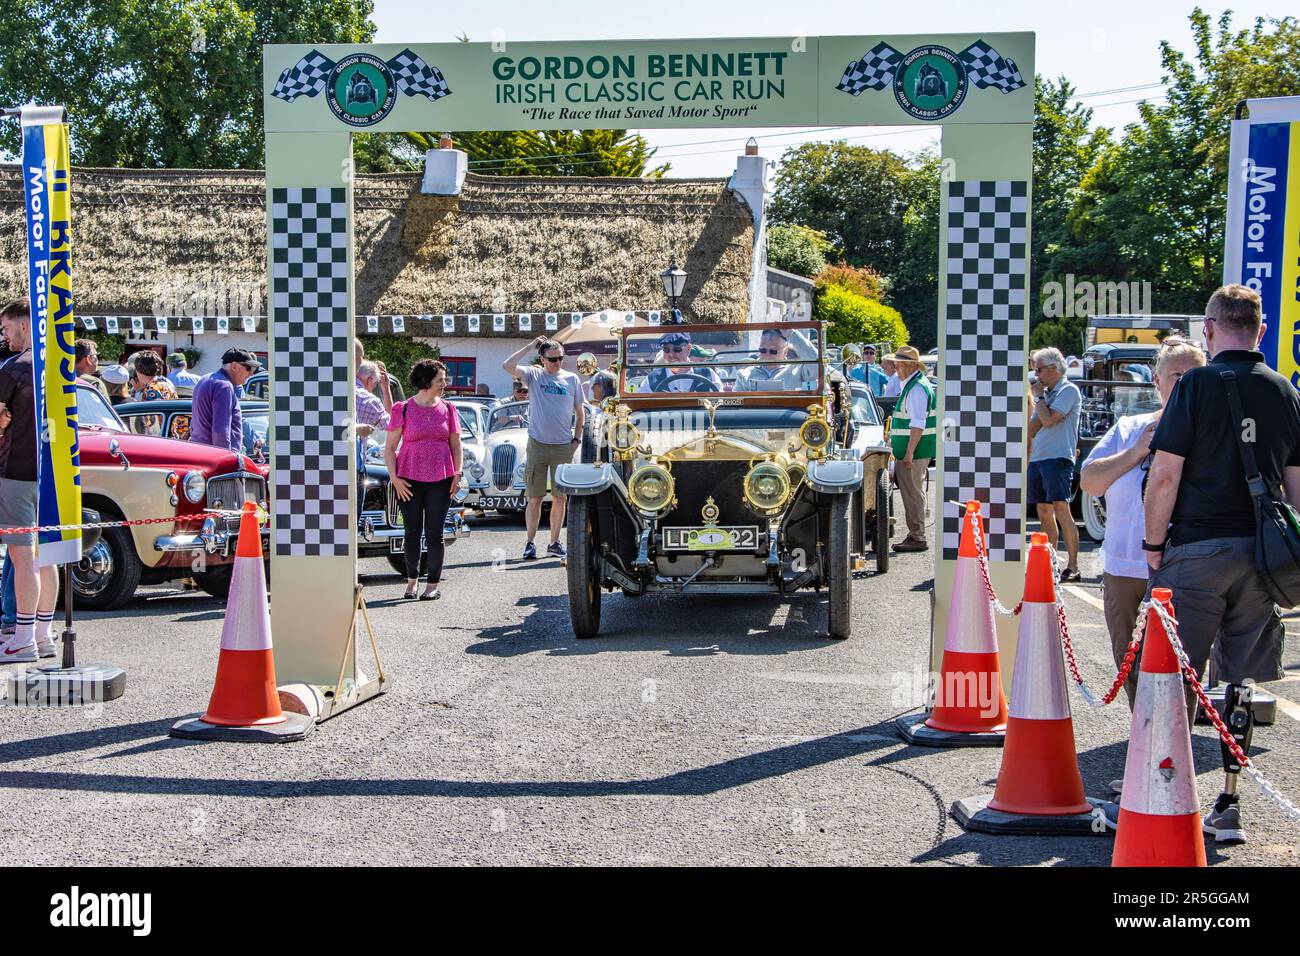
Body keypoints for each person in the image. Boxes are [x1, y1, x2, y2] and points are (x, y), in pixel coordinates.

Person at [1144, 284, 1300, 845]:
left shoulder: (1196, 385)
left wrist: (1153, 545)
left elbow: (1165, 475)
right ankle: (1228, 802)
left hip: (1195, 551)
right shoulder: (1284, 390)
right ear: (1260, 331)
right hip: (1262, 559)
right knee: (1240, 685)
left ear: (1208, 330)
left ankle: (1160, 794)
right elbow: (1296, 485)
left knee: (1171, 676)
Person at [1079, 340, 1206, 709]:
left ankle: (1175, 748)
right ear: (1157, 380)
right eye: (1176, 376)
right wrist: (1138, 450)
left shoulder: (1209, 434)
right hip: (1124, 566)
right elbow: (1090, 481)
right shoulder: (1130, 427)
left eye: (1193, 377)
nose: (1183, 385)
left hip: (1183, 568)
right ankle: (1145, 739)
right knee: (1129, 662)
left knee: (1182, 666)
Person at [0, 298, 60, 662]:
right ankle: (42, 633)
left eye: (6, 328)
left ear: (24, 325)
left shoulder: (14, 368)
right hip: (55, 474)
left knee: (22, 556)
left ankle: (23, 638)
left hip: (16, 471)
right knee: (47, 554)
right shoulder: (58, 367)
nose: (4, 335)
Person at [385, 359, 462, 601]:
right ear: (426, 382)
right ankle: (411, 582)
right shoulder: (403, 409)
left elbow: (456, 445)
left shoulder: (449, 409)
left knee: (435, 534)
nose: (445, 384)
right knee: (411, 532)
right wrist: (395, 479)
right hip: (408, 479)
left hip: (441, 477)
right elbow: (389, 448)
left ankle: (432, 585)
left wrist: (457, 473)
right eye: (441, 380)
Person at [501, 336, 585, 560]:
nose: (557, 362)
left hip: (562, 446)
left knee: (560, 498)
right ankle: (530, 542)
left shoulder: (571, 379)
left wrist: (576, 440)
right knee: (535, 497)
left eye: (560, 358)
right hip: (537, 444)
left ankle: (555, 542)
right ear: (542, 358)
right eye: (553, 359)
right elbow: (507, 365)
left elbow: (580, 412)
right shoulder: (534, 375)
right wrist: (529, 345)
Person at [1028, 347, 1082, 581]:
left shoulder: (1069, 391)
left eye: (1038, 370)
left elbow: (1048, 421)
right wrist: (1040, 401)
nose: (1036, 376)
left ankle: (1073, 565)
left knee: (1061, 508)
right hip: (1039, 457)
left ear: (1053, 368)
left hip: (1059, 457)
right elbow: (1031, 429)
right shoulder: (1048, 394)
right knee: (1043, 510)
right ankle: (1050, 563)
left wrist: (1039, 398)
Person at [889, 346, 936, 553]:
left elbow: (918, 424)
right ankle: (916, 534)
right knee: (913, 493)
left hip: (914, 452)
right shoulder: (916, 385)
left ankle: (917, 536)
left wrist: (908, 453)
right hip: (915, 451)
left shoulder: (916, 388)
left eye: (899, 365)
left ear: (911, 366)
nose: (896, 368)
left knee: (912, 494)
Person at [191, 347, 259, 451]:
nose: (251, 373)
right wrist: (226, 460)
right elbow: (220, 431)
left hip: (200, 451)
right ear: (235, 366)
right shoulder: (224, 386)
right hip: (215, 456)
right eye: (248, 368)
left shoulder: (205, 379)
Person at [735, 327, 819, 392]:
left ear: (785, 352)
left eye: (773, 351)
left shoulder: (797, 371)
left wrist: (792, 334)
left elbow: (817, 364)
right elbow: (737, 406)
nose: (767, 355)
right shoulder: (744, 375)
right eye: (763, 350)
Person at [643, 330, 721, 393]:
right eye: (666, 350)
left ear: (689, 348)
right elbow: (640, 405)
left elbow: (721, 402)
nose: (671, 354)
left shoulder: (707, 374)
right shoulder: (653, 378)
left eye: (677, 349)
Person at [354, 360, 390, 439]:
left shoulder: (337, 390)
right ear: (370, 380)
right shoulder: (370, 400)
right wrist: (386, 390)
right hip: (354, 450)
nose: (374, 388)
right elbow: (391, 425)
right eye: (376, 383)